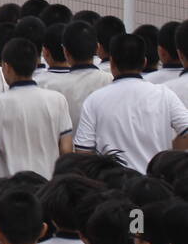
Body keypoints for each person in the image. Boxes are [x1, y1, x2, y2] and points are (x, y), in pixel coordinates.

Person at [74, 33, 188, 173]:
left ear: (112, 62)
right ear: (144, 62)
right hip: (155, 185)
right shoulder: (164, 94)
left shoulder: (94, 100)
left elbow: (83, 151)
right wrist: (170, 152)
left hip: (112, 185)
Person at [0, 37, 72, 177]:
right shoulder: (57, 99)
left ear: (6, 67)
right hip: (47, 187)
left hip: (10, 188)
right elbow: (66, 150)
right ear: (36, 64)